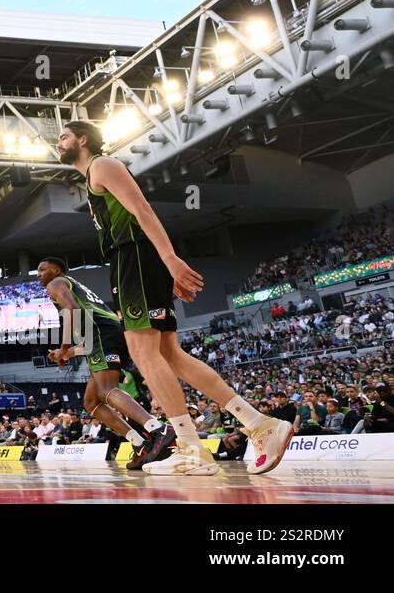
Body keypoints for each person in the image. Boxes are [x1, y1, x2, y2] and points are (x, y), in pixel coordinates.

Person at [56, 121, 293, 475]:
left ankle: (190, 447)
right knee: (170, 353)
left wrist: (169, 260)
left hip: (134, 257)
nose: (58, 143)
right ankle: (258, 424)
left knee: (143, 352)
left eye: (63, 136)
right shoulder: (91, 177)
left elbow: (143, 211)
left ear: (82, 139)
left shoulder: (103, 165)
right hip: (133, 261)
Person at [37, 257, 174, 471]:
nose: (38, 274)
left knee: (107, 390)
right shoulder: (74, 286)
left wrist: (64, 346)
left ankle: (158, 429)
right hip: (107, 333)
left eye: (42, 269)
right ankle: (140, 444)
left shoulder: (56, 283)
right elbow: (89, 343)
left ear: (56, 270)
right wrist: (67, 353)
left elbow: (73, 309)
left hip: (104, 332)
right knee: (91, 402)